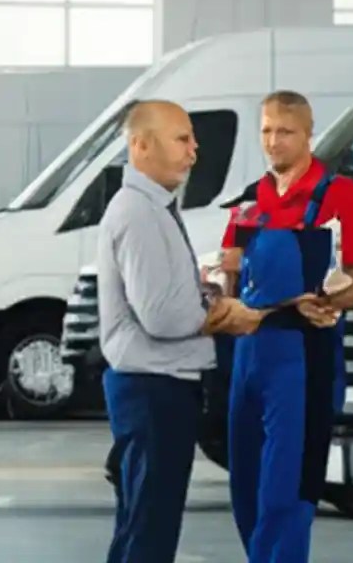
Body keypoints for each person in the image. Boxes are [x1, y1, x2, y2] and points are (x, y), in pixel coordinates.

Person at [218, 90, 353, 563]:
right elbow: (230, 275)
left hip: (303, 360)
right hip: (248, 358)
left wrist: (328, 300)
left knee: (286, 490)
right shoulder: (250, 201)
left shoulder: (341, 197)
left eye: (285, 131)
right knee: (246, 488)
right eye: (266, 131)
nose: (274, 141)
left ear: (309, 134)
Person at [96, 100, 254, 563]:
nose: (194, 150)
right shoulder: (139, 213)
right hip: (154, 389)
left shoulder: (152, 208)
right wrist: (224, 312)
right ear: (141, 145)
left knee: (140, 528)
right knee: (150, 533)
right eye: (182, 139)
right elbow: (162, 317)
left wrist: (199, 293)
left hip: (156, 388)